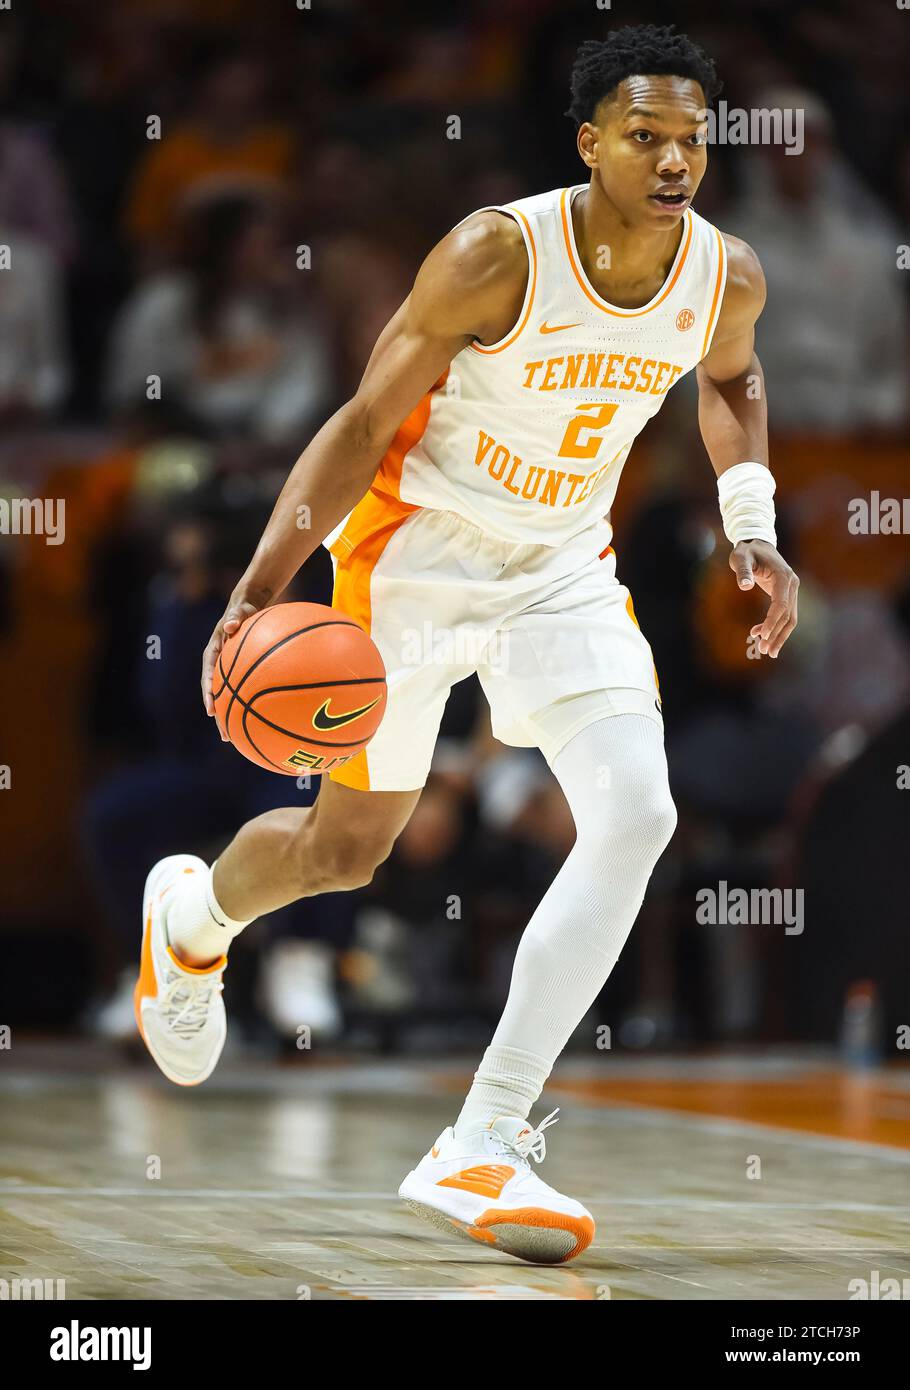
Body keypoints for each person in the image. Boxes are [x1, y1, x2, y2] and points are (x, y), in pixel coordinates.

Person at [133, 24, 799, 1265]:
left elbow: (731, 381)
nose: (672, 161)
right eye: (644, 137)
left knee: (640, 814)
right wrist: (255, 592)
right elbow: (363, 415)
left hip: (559, 567)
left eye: (691, 140)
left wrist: (750, 527)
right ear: (589, 141)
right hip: (413, 557)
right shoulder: (497, 252)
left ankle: (483, 1135)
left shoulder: (727, 274)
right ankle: (193, 915)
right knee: (345, 853)